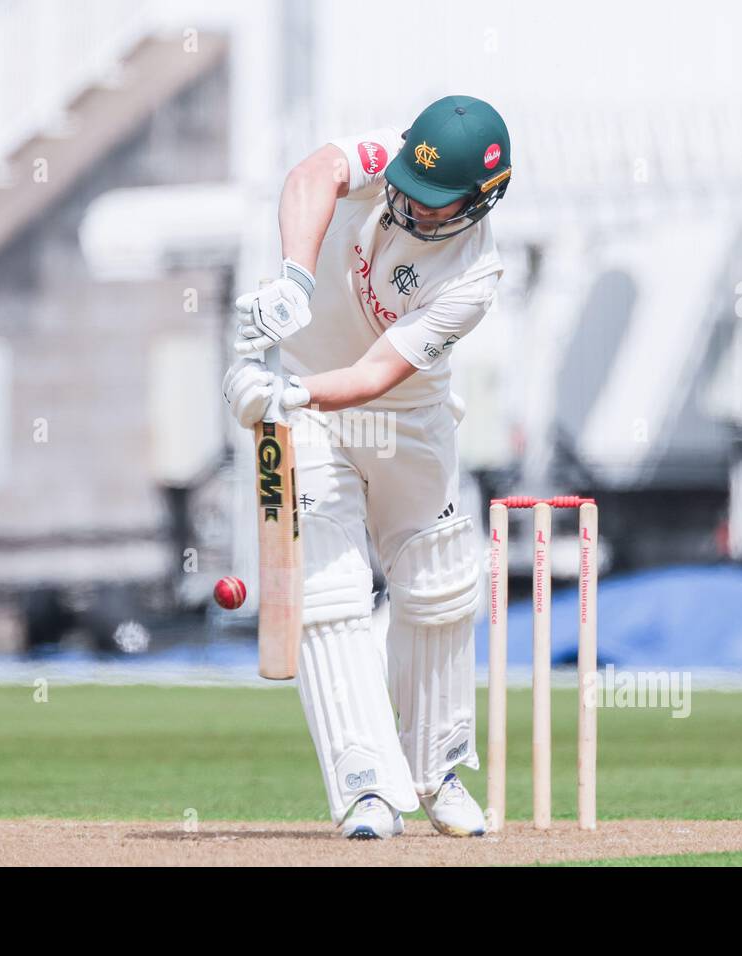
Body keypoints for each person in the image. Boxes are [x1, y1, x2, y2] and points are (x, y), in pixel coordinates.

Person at [223, 95, 511, 839]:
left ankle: (438, 770)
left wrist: (289, 394)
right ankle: (367, 789)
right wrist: (294, 279)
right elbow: (314, 172)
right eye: (408, 187)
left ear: (480, 201)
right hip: (312, 410)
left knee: (440, 582)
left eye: (433, 201)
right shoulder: (392, 155)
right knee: (327, 587)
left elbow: (375, 374)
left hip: (403, 414)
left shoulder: (474, 276)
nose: (410, 206)